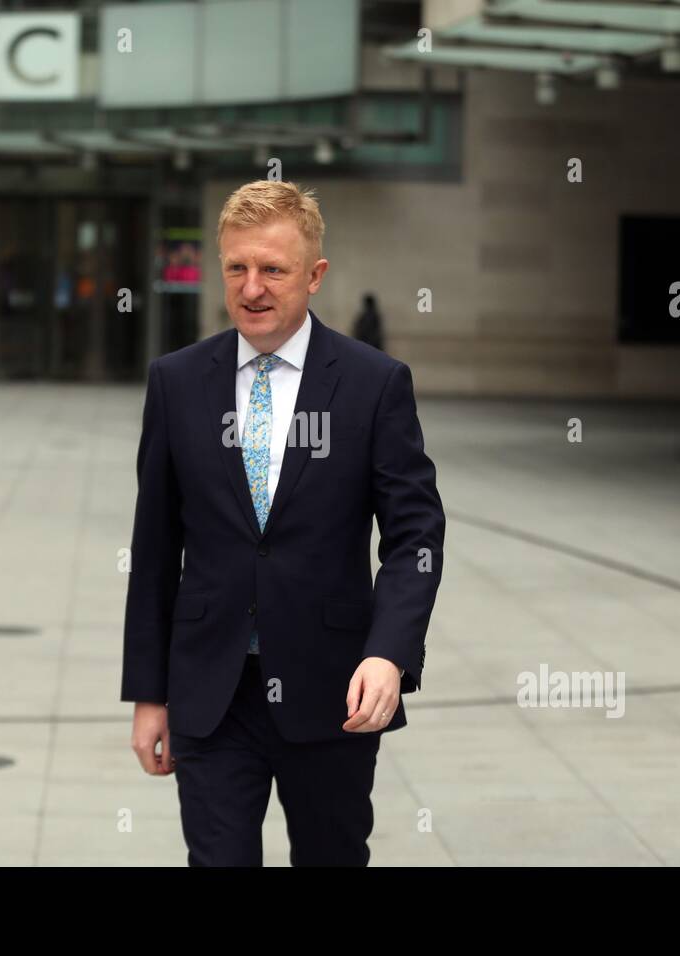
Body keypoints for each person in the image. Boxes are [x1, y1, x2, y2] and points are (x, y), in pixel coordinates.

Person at [121, 180, 445, 866]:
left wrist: (389, 653)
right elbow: (154, 550)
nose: (253, 287)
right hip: (211, 692)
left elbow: (414, 536)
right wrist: (150, 693)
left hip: (333, 691)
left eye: (273, 269)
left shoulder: (373, 383)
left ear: (315, 276)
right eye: (237, 267)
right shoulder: (177, 382)